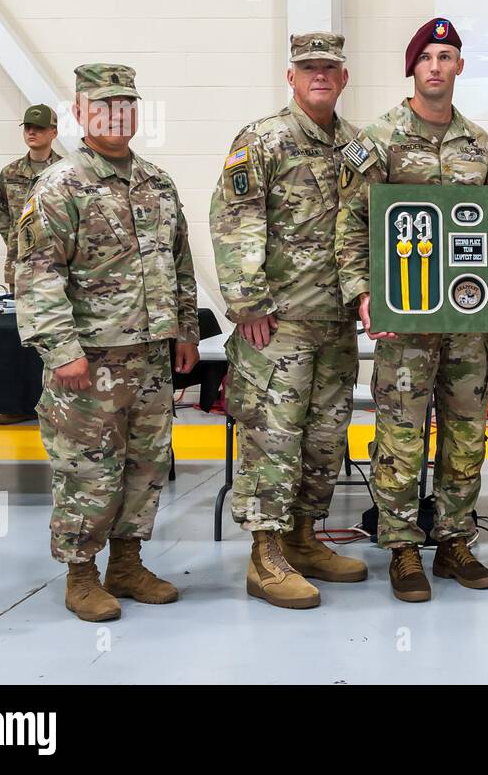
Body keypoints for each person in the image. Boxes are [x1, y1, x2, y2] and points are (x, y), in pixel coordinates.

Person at [336, 17, 488, 602]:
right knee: (402, 435)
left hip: (466, 317)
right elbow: (352, 224)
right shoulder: (379, 138)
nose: (436, 66)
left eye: (447, 56)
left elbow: (486, 233)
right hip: (406, 320)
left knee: (466, 433)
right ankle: (403, 548)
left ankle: (454, 541)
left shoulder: (479, 145)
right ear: (411, 69)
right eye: (426, 57)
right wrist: (364, 294)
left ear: (460, 66)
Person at [15, 64, 199, 621]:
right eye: (102, 107)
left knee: (145, 465)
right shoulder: (60, 185)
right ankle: (80, 574)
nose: (116, 117)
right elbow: (37, 272)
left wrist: (186, 330)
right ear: (80, 113)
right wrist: (61, 349)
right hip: (88, 362)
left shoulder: (158, 183)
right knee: (88, 470)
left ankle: (127, 564)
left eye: (125, 106)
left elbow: (180, 264)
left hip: (150, 357)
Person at [209, 32, 365, 610]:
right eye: (309, 67)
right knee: (273, 440)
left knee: (325, 439)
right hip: (278, 326)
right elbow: (234, 218)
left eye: (329, 67)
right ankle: (265, 556)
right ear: (291, 77)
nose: (319, 75)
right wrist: (249, 303)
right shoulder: (262, 139)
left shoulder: (355, 145)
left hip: (336, 320)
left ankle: (303, 538)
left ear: (343, 77)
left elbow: (372, 222)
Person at [0, 103, 62, 425]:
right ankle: (22, 402)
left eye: (39, 128)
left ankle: (59, 401)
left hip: (59, 268)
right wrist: (16, 241)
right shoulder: (10, 173)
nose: (31, 132)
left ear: (53, 132)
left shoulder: (66, 171)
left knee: (59, 332)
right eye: (27, 128)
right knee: (25, 336)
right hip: (21, 267)